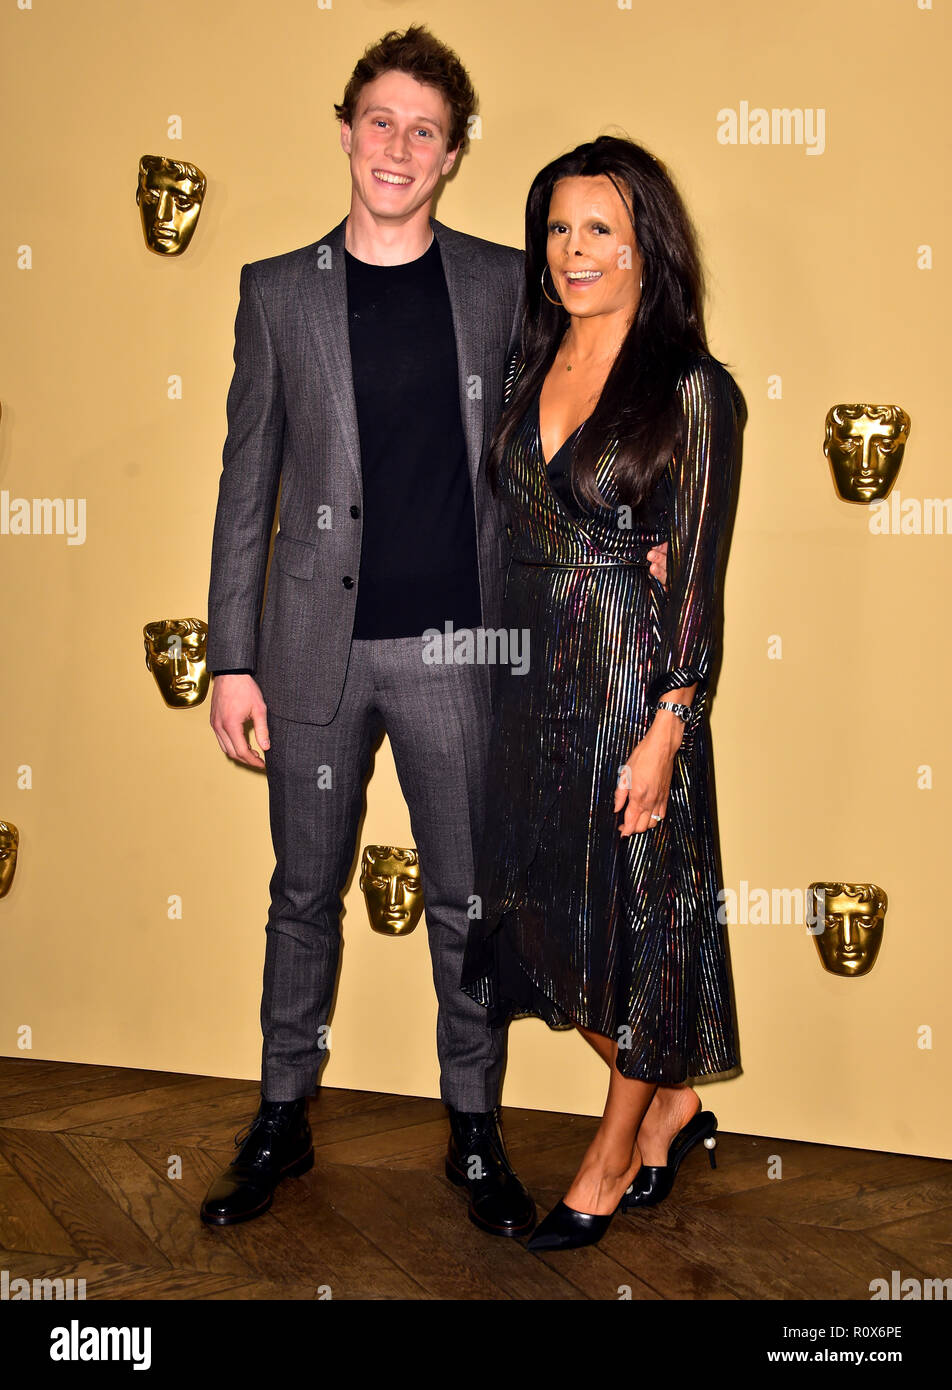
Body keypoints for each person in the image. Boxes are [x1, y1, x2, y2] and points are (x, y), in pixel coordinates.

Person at [201, 25, 672, 1236]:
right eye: (381, 121)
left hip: (464, 655)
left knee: (468, 905)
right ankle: (281, 1114)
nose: (398, 147)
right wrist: (232, 656)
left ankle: (473, 1132)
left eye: (425, 129)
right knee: (302, 893)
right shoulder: (273, 290)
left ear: (453, 154)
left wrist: (654, 510)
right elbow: (244, 478)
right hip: (309, 652)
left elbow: (580, 405)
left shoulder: (495, 284)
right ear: (347, 129)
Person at [460, 135, 744, 1252]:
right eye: (559, 229)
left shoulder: (690, 389)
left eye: (601, 232)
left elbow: (700, 580)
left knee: (639, 931)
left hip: (632, 680)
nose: (574, 253)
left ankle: (610, 1152)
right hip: (528, 679)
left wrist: (672, 724)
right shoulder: (527, 363)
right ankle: (670, 1100)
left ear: (645, 249)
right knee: (535, 921)